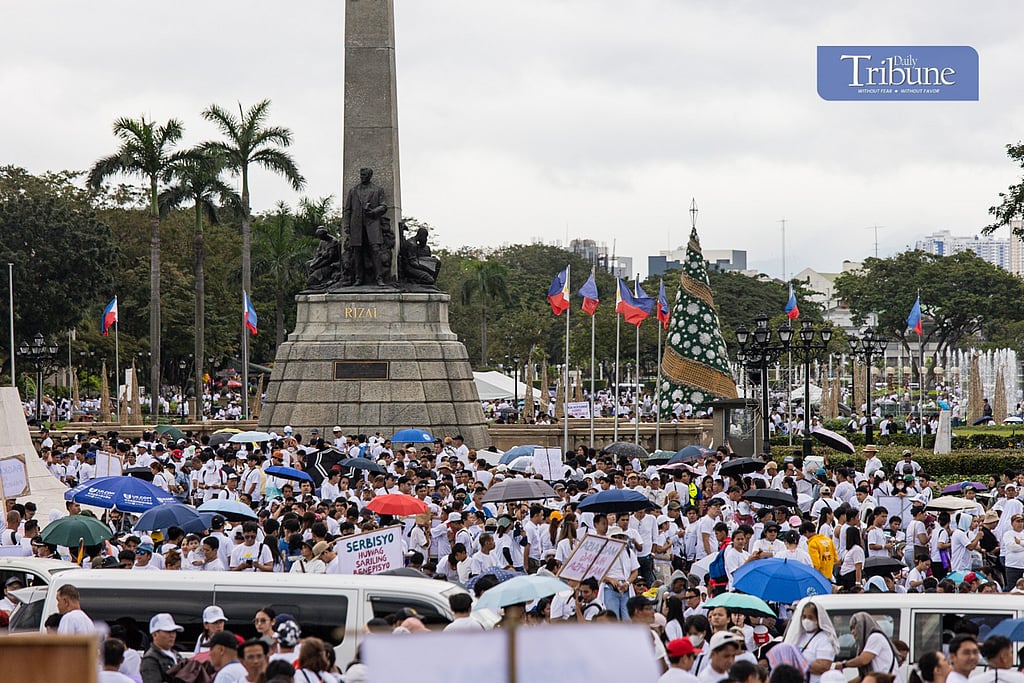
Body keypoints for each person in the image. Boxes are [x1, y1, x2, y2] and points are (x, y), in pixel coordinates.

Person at [341, 167, 388, 286]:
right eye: (361, 175)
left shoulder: (377, 190)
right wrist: (346, 225)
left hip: (372, 224)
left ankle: (379, 278)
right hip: (356, 226)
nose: (362, 177)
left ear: (370, 176)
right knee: (357, 252)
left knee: (376, 251)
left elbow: (383, 206)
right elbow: (347, 210)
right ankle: (358, 278)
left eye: (365, 175)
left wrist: (373, 212)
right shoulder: (353, 191)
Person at [835, 612, 904, 683]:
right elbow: (862, 677)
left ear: (863, 625)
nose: (852, 631)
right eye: (851, 629)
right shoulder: (865, 643)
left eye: (854, 627)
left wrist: (843, 665)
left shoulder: (875, 637)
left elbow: (863, 660)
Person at [785, 601, 838, 683]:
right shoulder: (798, 636)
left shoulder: (824, 639)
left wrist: (798, 663)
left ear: (818, 619)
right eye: (804, 617)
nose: (806, 620)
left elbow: (824, 667)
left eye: (810, 617)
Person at [140, 613, 183, 683]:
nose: (172, 635)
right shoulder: (150, 659)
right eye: (168, 632)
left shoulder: (176, 655)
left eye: (174, 632)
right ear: (155, 634)